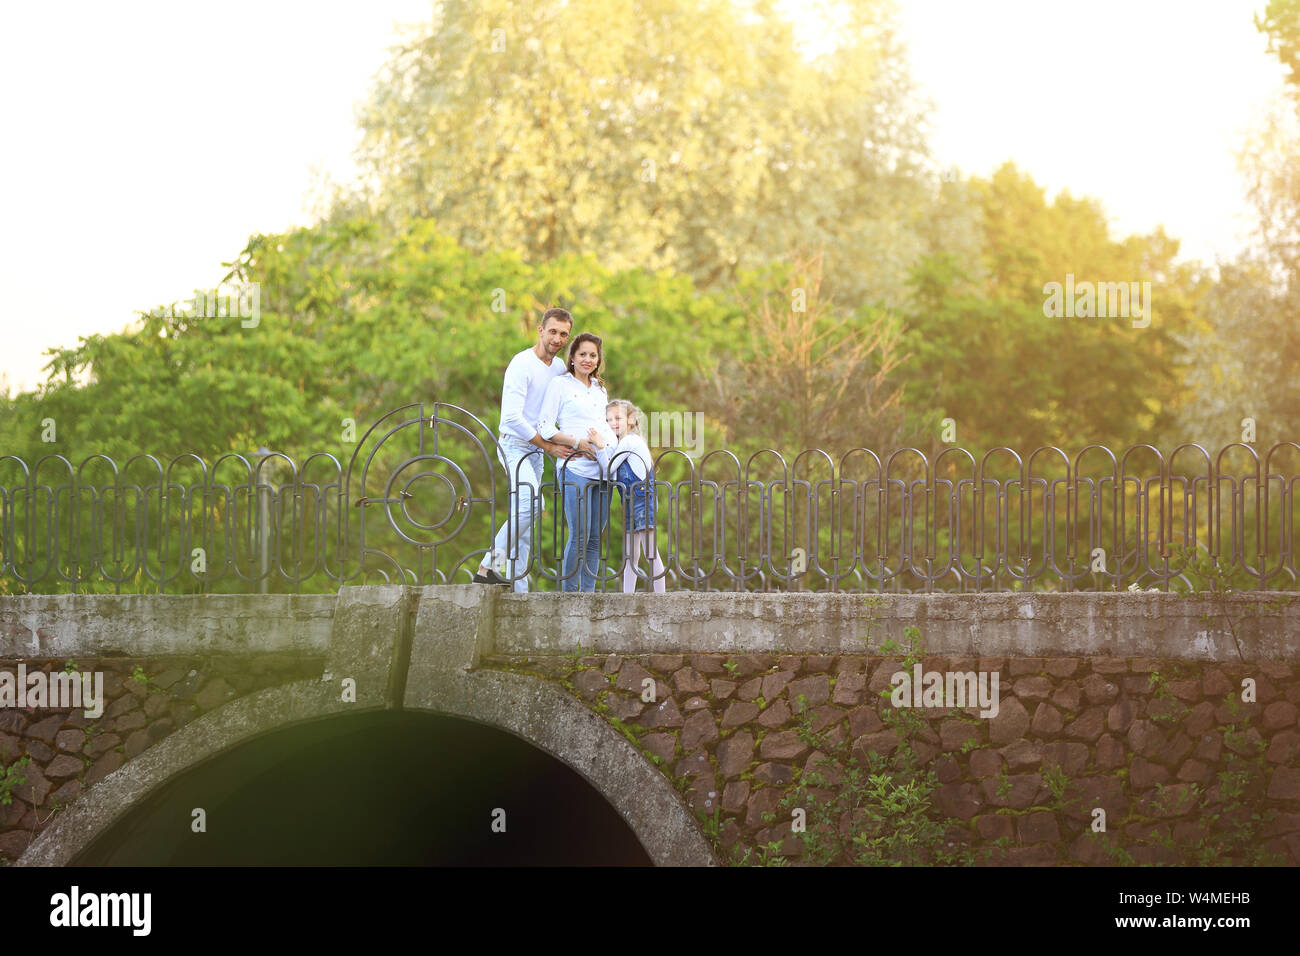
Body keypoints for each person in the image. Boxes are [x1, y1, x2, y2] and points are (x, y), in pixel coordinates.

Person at [473, 308, 591, 591]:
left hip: (537, 451)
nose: (558, 338)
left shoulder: (561, 368)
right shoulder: (521, 363)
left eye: (564, 334)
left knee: (525, 514)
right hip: (514, 445)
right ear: (540, 330)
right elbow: (511, 418)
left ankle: (519, 589)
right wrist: (548, 446)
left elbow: (567, 405)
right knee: (532, 504)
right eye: (553, 331)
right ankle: (488, 566)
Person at [535, 333, 616, 592]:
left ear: (598, 359)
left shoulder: (600, 389)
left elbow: (606, 425)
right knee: (579, 535)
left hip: (602, 469)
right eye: (582, 354)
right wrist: (576, 442)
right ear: (572, 357)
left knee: (594, 538)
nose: (588, 360)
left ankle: (589, 594)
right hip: (576, 468)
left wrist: (610, 447)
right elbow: (545, 426)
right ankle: (569, 595)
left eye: (593, 355)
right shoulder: (561, 385)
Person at [592, 399, 666, 593]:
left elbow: (608, 470)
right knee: (630, 554)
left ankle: (662, 597)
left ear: (631, 420)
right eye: (608, 419)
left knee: (650, 552)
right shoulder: (620, 442)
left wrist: (600, 447)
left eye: (617, 418)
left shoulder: (629, 441)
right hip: (629, 501)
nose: (612, 423)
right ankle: (627, 597)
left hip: (641, 499)